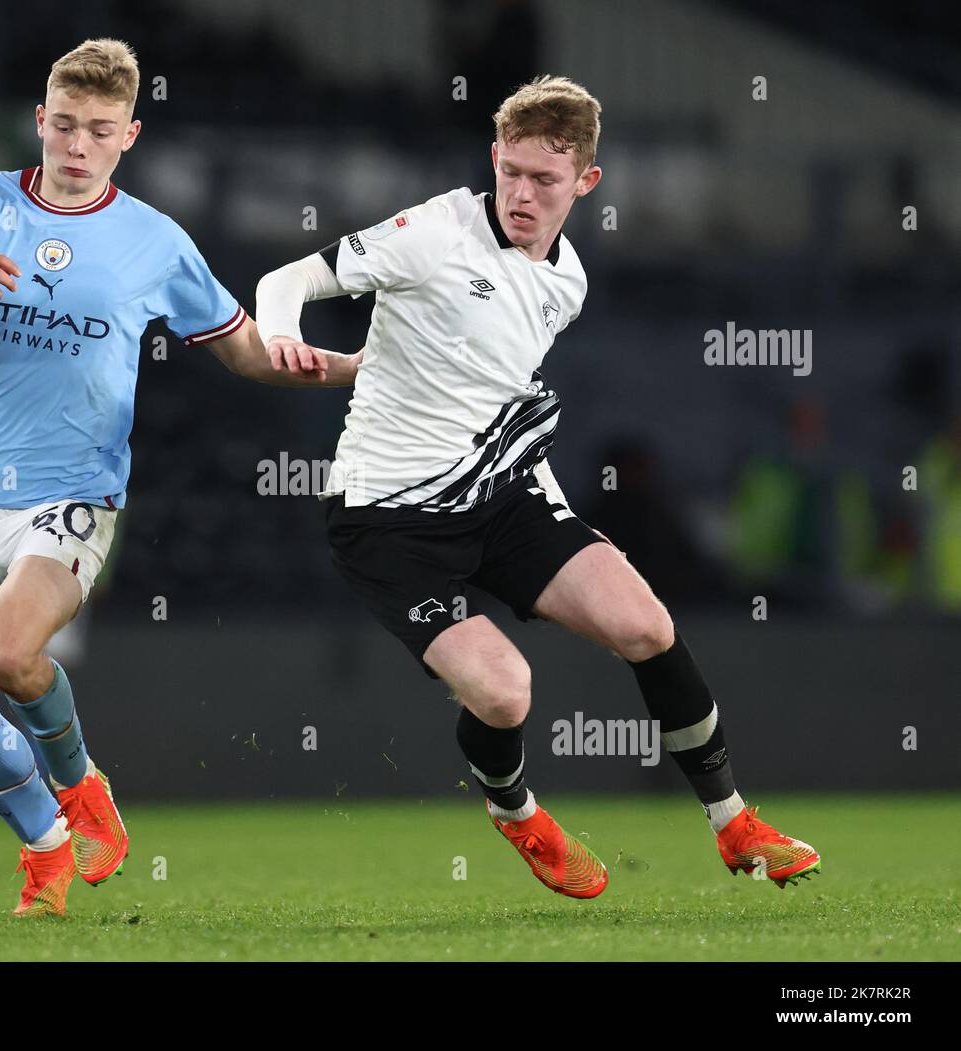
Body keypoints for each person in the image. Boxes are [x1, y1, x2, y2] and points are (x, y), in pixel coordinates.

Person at [255, 75, 819, 898]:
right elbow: (287, 279)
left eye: (544, 179)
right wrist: (282, 337)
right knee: (505, 689)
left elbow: (483, 378)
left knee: (647, 625)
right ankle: (516, 810)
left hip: (506, 496)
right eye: (510, 171)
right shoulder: (433, 231)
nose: (521, 193)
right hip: (389, 519)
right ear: (494, 158)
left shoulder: (568, 282)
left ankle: (734, 820)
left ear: (585, 182)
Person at [0, 39, 358, 918]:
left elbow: (244, 351)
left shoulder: (154, 241)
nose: (78, 146)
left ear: (129, 135)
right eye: (66, 126)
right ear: (40, 121)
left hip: (75, 491)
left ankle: (85, 790)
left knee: (10, 652)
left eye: (100, 131)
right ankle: (45, 842)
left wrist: (356, 368)